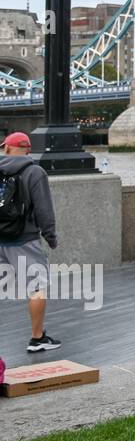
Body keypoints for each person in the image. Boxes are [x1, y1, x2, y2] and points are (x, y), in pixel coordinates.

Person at [0, 132, 61, 352]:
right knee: (36, 288)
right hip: (23, 239)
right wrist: (51, 237)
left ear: (6, 148)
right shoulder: (34, 171)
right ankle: (37, 338)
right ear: (28, 150)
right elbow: (44, 210)